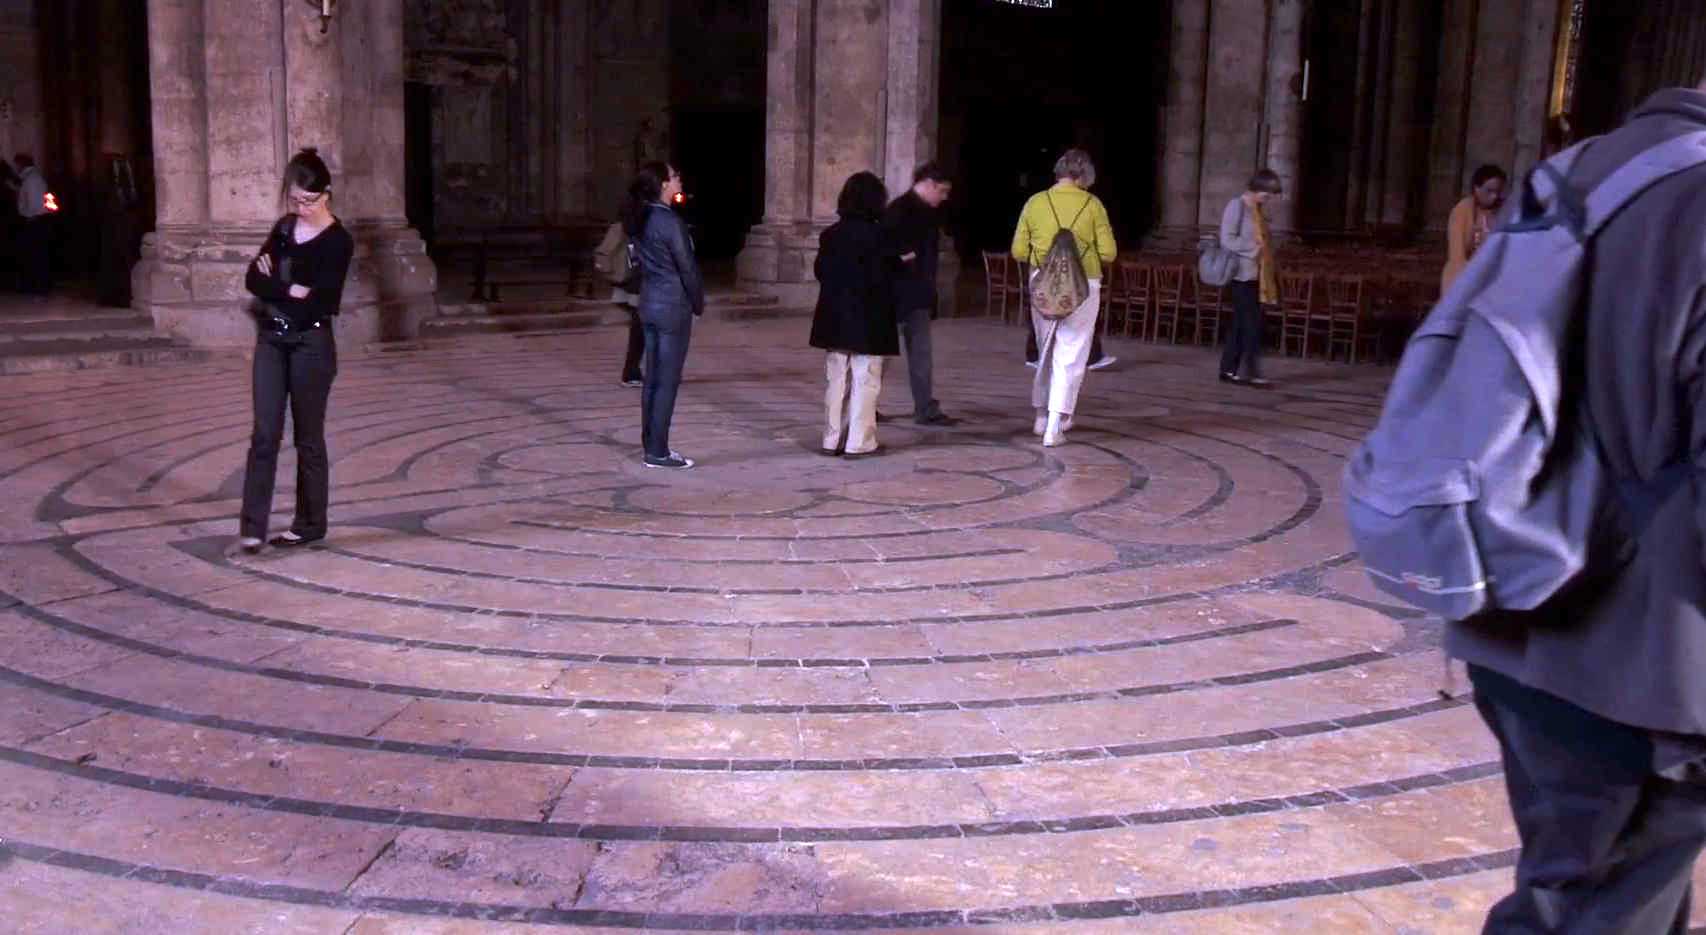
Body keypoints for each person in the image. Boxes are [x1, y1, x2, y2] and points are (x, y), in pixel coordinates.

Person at [1449, 79, 1706, 933]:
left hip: (1510, 607)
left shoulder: (1573, 172)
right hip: (1636, 659)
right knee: (1594, 907)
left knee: (1590, 891)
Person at [237, 148, 355, 554]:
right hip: (271, 340)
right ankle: (252, 528)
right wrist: (288, 289)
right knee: (264, 434)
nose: (301, 208)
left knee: (308, 438)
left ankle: (308, 524)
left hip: (311, 344)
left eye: (309, 201)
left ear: (327, 195)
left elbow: (322, 302)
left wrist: (283, 289)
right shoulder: (283, 229)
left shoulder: (338, 241)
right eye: (294, 200)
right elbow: (254, 278)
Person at [1010, 148, 1116, 447]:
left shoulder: (1035, 202)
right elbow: (1109, 253)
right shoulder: (1093, 205)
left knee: (1045, 350)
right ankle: (1056, 425)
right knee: (1071, 354)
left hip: (1042, 284)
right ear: (1084, 175)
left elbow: (1018, 251)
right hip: (1084, 287)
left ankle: (1040, 416)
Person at [811, 172, 899, 459]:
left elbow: (820, 272)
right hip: (868, 319)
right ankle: (859, 442)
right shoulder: (881, 236)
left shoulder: (830, 235)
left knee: (836, 380)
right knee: (865, 379)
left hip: (835, 318)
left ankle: (831, 439)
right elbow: (888, 276)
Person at [627, 161, 703, 469]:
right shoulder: (669, 221)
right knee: (667, 380)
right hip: (672, 307)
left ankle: (651, 444)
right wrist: (698, 302)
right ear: (662, 184)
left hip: (649, 303)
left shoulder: (642, 218)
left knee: (653, 379)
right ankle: (658, 451)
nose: (678, 179)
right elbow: (687, 266)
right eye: (674, 176)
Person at [882, 162, 957, 426]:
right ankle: (866, 404)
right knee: (880, 356)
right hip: (895, 295)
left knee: (921, 355)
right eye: (943, 191)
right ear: (929, 184)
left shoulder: (930, 213)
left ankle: (925, 408)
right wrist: (903, 259)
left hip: (919, 296)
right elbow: (885, 251)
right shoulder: (898, 210)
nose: (945, 197)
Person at [1217, 169, 1283, 388]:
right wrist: (1253, 249)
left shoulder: (1257, 210)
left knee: (1239, 324)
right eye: (1267, 193)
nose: (1269, 198)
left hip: (1257, 277)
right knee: (1251, 324)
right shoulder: (1236, 206)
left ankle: (1227, 370)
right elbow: (1227, 240)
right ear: (1257, 188)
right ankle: (1253, 373)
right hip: (1241, 276)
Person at [594, 218, 645, 387]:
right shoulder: (645, 213)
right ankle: (632, 372)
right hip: (638, 279)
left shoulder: (630, 212)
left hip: (629, 279)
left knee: (641, 327)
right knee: (642, 328)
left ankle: (633, 371)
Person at [1441, 164, 1507, 292]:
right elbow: (1457, 256)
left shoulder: (1504, 211)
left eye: (1498, 192)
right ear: (1476, 188)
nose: (1494, 197)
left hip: (1494, 279)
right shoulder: (1462, 210)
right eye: (1489, 191)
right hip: (1462, 278)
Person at [14, 153, 51, 295]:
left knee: (35, 255)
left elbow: (34, 203)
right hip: (38, 219)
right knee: (37, 254)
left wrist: (31, 217)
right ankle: (38, 285)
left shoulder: (31, 180)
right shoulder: (35, 178)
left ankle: (37, 286)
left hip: (34, 220)